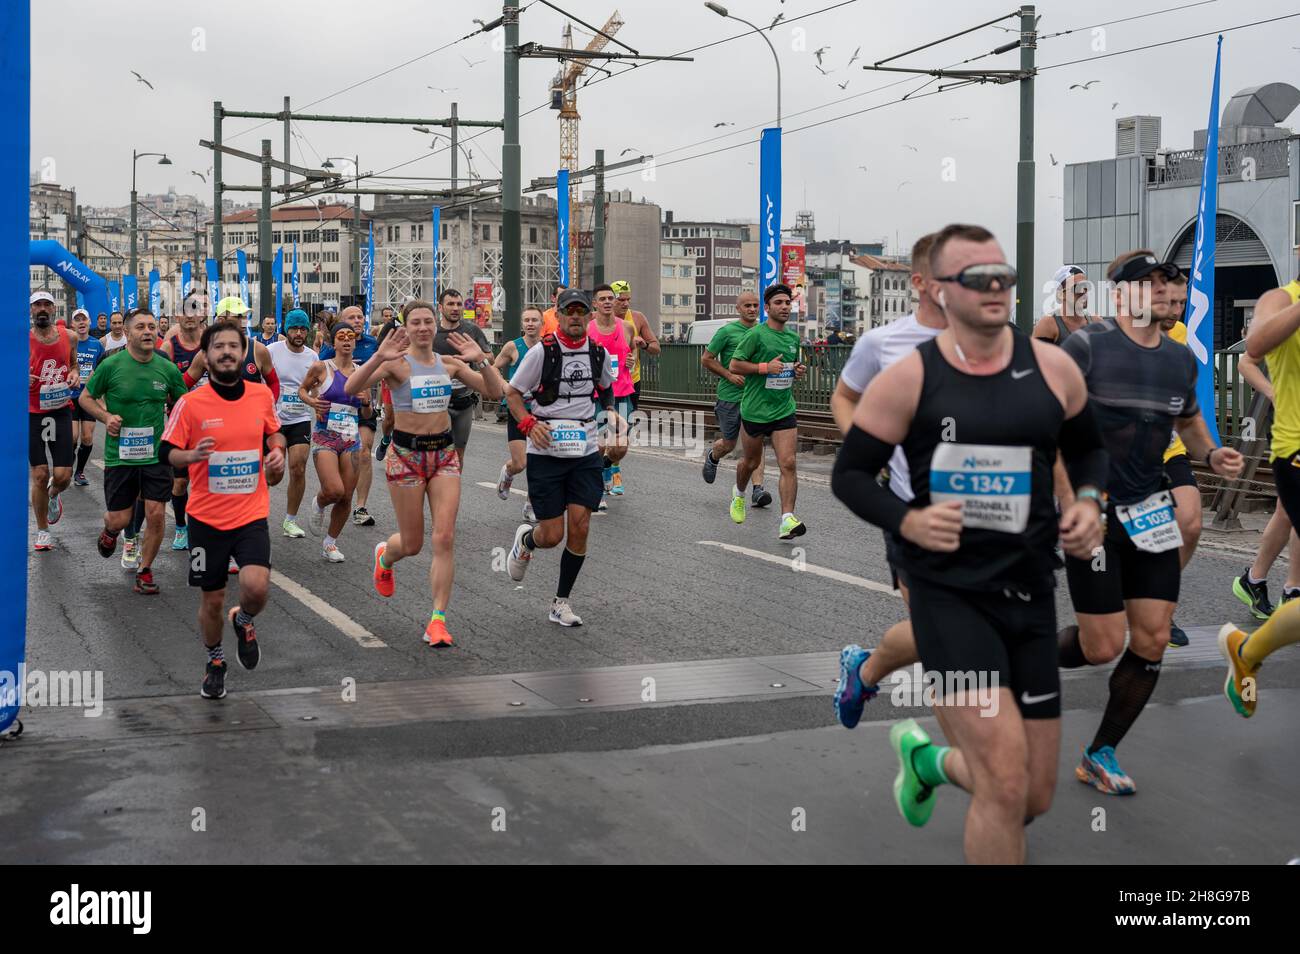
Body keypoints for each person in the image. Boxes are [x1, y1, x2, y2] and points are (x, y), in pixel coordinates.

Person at [831, 222, 1108, 864]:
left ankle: (927, 760)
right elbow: (848, 473)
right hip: (948, 594)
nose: (994, 289)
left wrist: (1088, 503)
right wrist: (906, 521)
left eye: (1003, 278)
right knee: (1005, 783)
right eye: (977, 279)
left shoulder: (1053, 367)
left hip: (1031, 592)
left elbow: (1088, 447)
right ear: (940, 293)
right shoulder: (909, 378)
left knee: (1033, 796)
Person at [1058, 250, 1242, 795]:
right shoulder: (1086, 347)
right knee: (1100, 647)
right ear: (1121, 295)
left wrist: (1212, 456)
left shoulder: (1179, 360)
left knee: (1155, 637)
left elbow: (1187, 421)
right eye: (1151, 282)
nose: (1165, 290)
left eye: (1170, 281)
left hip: (1150, 513)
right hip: (1095, 513)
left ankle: (1100, 752)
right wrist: (1074, 504)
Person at [829, 234, 944, 717]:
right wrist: (868, 446)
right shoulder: (883, 342)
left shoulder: (1000, 340)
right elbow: (845, 397)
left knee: (965, 629)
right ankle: (969, 760)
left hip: (988, 508)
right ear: (920, 282)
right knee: (940, 632)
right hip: (911, 504)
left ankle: (866, 670)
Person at [347, 300, 503, 646]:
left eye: (427, 322)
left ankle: (437, 620)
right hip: (406, 457)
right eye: (415, 322)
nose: (422, 327)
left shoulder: (449, 364)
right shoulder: (396, 367)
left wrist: (481, 359)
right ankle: (385, 555)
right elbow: (349, 388)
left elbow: (495, 391)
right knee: (413, 543)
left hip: (444, 456)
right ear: (406, 326)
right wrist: (378, 357)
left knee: (444, 537)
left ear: (435, 326)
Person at [160, 321, 286, 700]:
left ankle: (244, 620)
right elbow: (166, 452)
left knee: (255, 587)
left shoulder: (260, 396)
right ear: (206, 355)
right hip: (205, 519)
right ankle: (215, 661)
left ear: (244, 352)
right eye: (219, 347)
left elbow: (273, 431)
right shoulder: (191, 403)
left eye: (234, 346)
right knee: (212, 600)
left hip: (250, 514)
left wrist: (277, 450)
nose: (227, 352)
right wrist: (190, 455)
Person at [504, 288, 616, 626]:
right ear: (560, 313)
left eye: (582, 311)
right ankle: (527, 538)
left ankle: (561, 603)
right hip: (546, 450)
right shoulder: (542, 352)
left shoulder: (598, 352)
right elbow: (512, 392)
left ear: (589, 315)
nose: (576, 317)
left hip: (583, 449)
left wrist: (610, 412)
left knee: (580, 527)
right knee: (552, 535)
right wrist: (527, 423)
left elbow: (606, 385)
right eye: (570, 311)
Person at [1218, 271, 1300, 716]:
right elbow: (1251, 352)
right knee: (1285, 516)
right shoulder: (1280, 298)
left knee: (1285, 518)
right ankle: (1274, 585)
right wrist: (1275, 393)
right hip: (1296, 446)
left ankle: (1248, 649)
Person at [83, 308, 188, 594]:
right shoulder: (111, 365)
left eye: (152, 327)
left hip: (155, 454)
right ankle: (110, 531)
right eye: (140, 327)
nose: (148, 331)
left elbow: (183, 404)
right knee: (121, 518)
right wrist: (106, 417)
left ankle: (145, 570)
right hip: (121, 456)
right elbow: (85, 397)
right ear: (127, 333)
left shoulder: (166, 368)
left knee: (155, 513)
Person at [728, 283, 807, 539]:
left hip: (783, 408)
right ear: (768, 308)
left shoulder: (793, 338)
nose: (785, 307)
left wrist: (795, 370)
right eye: (779, 303)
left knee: (789, 463)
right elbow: (735, 364)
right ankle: (739, 494)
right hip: (754, 410)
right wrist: (763, 368)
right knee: (750, 462)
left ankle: (786, 519)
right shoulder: (755, 335)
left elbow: (787, 366)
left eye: (788, 303)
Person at [300, 322, 367, 562]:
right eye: (342, 337)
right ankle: (319, 502)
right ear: (334, 342)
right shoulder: (321, 367)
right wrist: (313, 403)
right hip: (325, 436)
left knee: (346, 496)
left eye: (351, 337)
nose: (347, 340)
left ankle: (330, 543)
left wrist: (366, 401)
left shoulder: (363, 372)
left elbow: (368, 415)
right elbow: (302, 391)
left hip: (351, 438)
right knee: (334, 490)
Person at [1157, 269, 1198, 646]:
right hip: (1126, 454)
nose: (1176, 310)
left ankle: (1163, 608)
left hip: (1171, 447)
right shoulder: (1113, 337)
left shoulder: (1181, 334)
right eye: (1170, 302)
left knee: (1190, 524)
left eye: (1182, 303)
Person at [700, 290, 770, 506]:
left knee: (756, 444)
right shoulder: (727, 332)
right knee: (730, 444)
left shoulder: (763, 332)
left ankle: (758, 490)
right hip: (730, 396)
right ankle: (713, 455)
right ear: (738, 309)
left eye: (755, 305)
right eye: (747, 306)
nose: (751, 309)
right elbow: (707, 359)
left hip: (755, 397)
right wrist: (729, 375)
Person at [318, 305, 380, 526]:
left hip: (363, 406)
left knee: (364, 451)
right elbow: (319, 375)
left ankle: (360, 506)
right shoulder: (329, 348)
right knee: (337, 467)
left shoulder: (373, 344)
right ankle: (332, 491)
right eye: (351, 317)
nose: (357, 320)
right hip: (336, 413)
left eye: (360, 317)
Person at [28, 290, 78, 551]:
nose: (43, 309)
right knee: (39, 474)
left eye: (47, 304)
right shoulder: (20, 340)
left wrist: (73, 374)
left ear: (54, 309)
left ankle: (53, 494)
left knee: (62, 476)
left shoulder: (69, 337)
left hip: (60, 409)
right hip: (32, 413)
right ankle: (42, 531)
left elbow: (73, 365)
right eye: (38, 305)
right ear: (31, 310)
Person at [159, 297, 206, 551]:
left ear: (202, 316)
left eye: (195, 311)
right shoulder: (169, 346)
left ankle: (208, 527)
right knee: (180, 483)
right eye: (185, 311)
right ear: (178, 317)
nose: (190, 316)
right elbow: (166, 390)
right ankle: (180, 527)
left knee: (208, 480)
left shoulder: (211, 342)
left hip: (211, 421)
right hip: (181, 421)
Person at [266, 309, 318, 538]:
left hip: (300, 418)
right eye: (294, 328)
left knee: (298, 468)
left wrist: (318, 402)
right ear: (286, 329)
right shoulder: (271, 351)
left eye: (303, 329)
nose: (298, 333)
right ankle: (253, 514)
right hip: (274, 420)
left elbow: (317, 386)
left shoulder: (312, 357)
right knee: (273, 475)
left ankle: (290, 520)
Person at [430, 289, 493, 469]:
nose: (456, 308)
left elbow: (490, 357)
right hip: (439, 402)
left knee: (458, 454)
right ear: (441, 307)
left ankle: (453, 491)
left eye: (459, 304)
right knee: (445, 450)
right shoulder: (432, 332)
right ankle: (440, 488)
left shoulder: (471, 330)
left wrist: (474, 357)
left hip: (464, 400)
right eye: (451, 304)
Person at [494, 305, 543, 522]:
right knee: (521, 463)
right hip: (517, 409)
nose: (530, 324)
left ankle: (531, 506)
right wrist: (505, 386)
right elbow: (494, 368)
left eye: (535, 320)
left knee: (538, 462)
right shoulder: (513, 347)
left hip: (541, 412)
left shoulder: (548, 347)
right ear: (522, 324)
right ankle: (508, 472)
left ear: (542, 323)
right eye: (527, 320)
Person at [611, 279, 660, 412]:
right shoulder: (599, 318)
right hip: (607, 380)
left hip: (631, 379)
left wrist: (644, 345)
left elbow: (656, 348)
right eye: (621, 300)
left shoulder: (637, 317)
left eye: (628, 299)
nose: (625, 303)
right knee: (605, 421)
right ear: (611, 299)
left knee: (628, 421)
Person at [70, 308, 105, 487]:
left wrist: (95, 376)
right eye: (78, 320)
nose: (81, 323)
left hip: (89, 396)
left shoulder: (97, 345)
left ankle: (79, 472)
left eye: (84, 320)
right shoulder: (68, 343)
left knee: (87, 438)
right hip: (71, 396)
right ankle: (67, 467)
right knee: (72, 437)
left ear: (89, 323)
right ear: (73, 324)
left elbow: (102, 370)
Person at [1031, 265, 1093, 345]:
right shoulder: (1048, 325)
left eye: (1086, 286)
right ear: (1061, 294)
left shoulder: (1096, 322)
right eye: (1077, 288)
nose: (1083, 291)